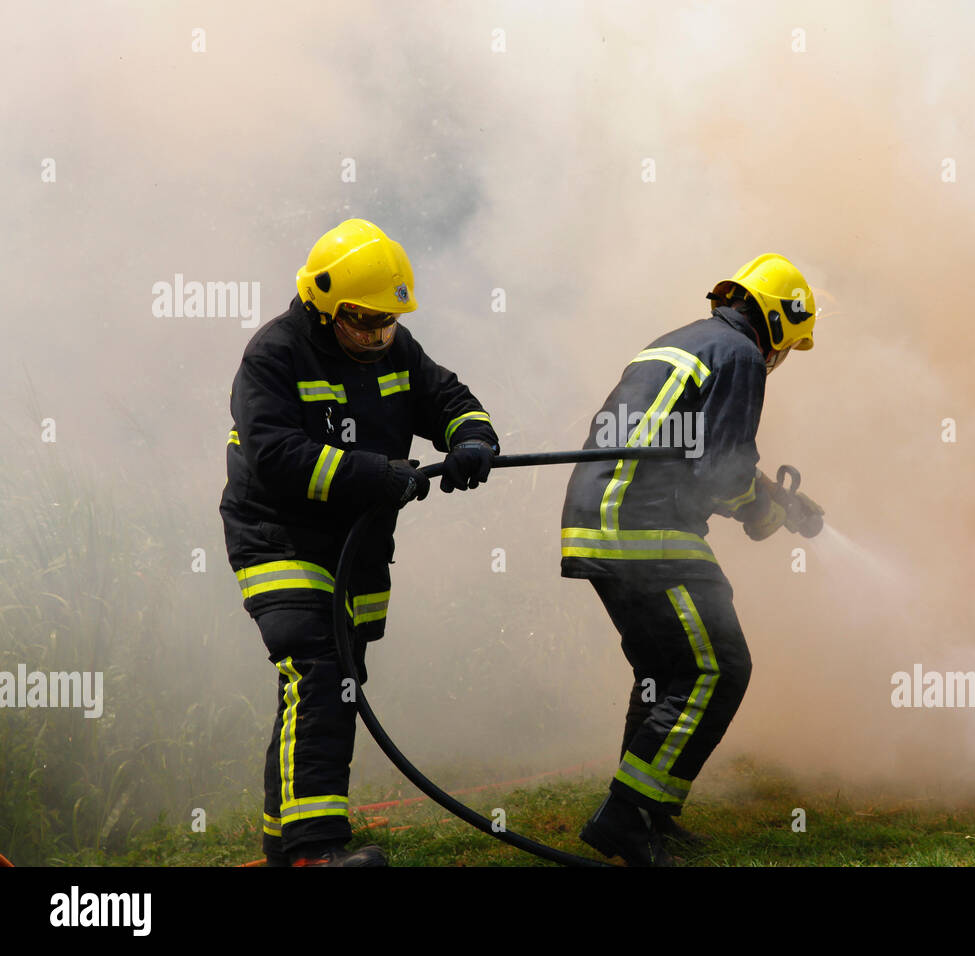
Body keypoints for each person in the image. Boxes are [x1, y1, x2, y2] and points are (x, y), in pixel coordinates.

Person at [220, 219, 499, 867]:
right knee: (318, 671)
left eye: (388, 322)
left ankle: (282, 843)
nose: (378, 336)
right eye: (363, 321)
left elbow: (448, 396)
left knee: (334, 681)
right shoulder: (275, 355)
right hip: (279, 538)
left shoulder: (394, 349)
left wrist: (472, 441)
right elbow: (275, 455)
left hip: (360, 543)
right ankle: (316, 851)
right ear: (323, 305)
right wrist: (378, 474)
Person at [559, 253, 817, 866]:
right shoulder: (743, 356)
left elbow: (701, 456)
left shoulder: (685, 343)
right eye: (787, 346)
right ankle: (625, 817)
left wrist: (771, 500)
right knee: (719, 667)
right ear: (777, 323)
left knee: (666, 667)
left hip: (597, 519)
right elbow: (721, 473)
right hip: (643, 527)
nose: (779, 361)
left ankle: (646, 813)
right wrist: (760, 509)